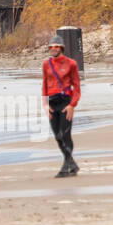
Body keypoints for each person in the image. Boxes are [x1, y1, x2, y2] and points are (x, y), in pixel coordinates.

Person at [41, 34, 81, 177]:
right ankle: (72, 164)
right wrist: (45, 105)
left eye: (56, 46)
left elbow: (76, 87)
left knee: (65, 135)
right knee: (57, 136)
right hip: (52, 103)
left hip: (65, 102)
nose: (53, 49)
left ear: (61, 48)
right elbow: (44, 85)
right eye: (51, 47)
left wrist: (72, 105)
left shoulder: (71, 64)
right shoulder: (46, 64)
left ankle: (65, 166)